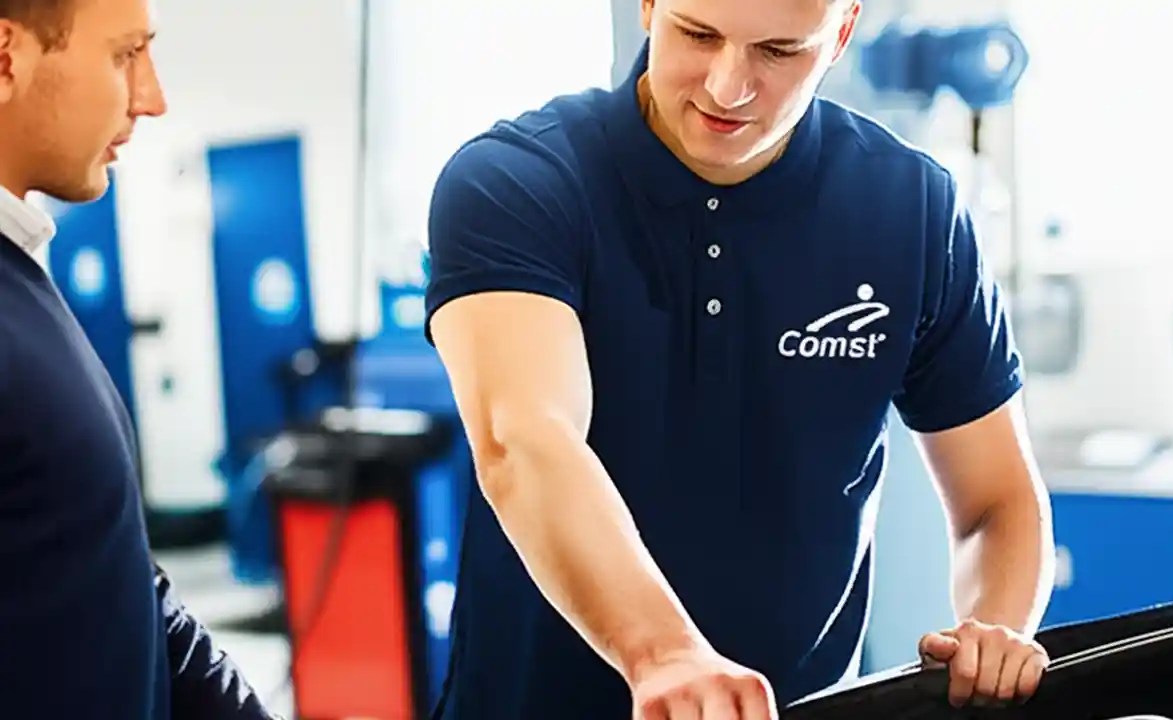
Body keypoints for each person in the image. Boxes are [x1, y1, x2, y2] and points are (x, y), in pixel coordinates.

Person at [424, 0, 1057, 717]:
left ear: (841, 32)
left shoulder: (911, 209)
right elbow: (525, 440)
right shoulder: (517, 182)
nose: (729, 88)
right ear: (650, 6)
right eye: (698, 34)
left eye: (779, 52)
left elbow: (995, 500)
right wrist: (663, 655)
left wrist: (996, 632)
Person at [0, 0, 277, 717]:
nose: (152, 98)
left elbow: (109, 568)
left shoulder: (23, 280)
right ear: (5, 57)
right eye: (126, 55)